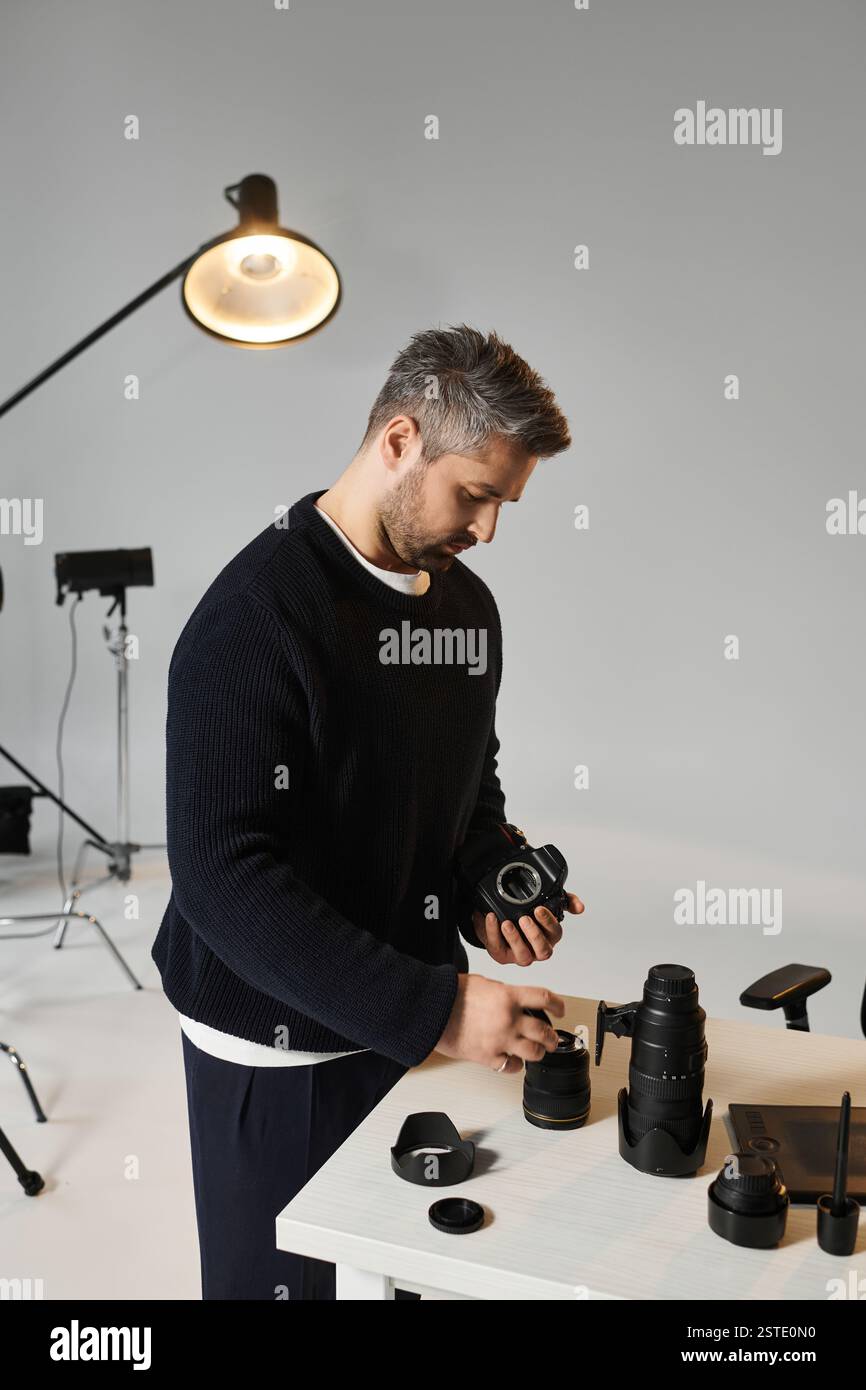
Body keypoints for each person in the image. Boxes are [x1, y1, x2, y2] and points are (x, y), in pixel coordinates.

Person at [151, 323, 585, 1300]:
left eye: (503, 503)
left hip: (416, 1024)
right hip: (276, 1042)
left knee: (402, 1279)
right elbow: (222, 877)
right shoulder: (253, 617)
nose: (486, 530)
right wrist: (435, 1009)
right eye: (474, 493)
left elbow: (466, 777)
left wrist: (485, 877)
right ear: (398, 442)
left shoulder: (466, 609)